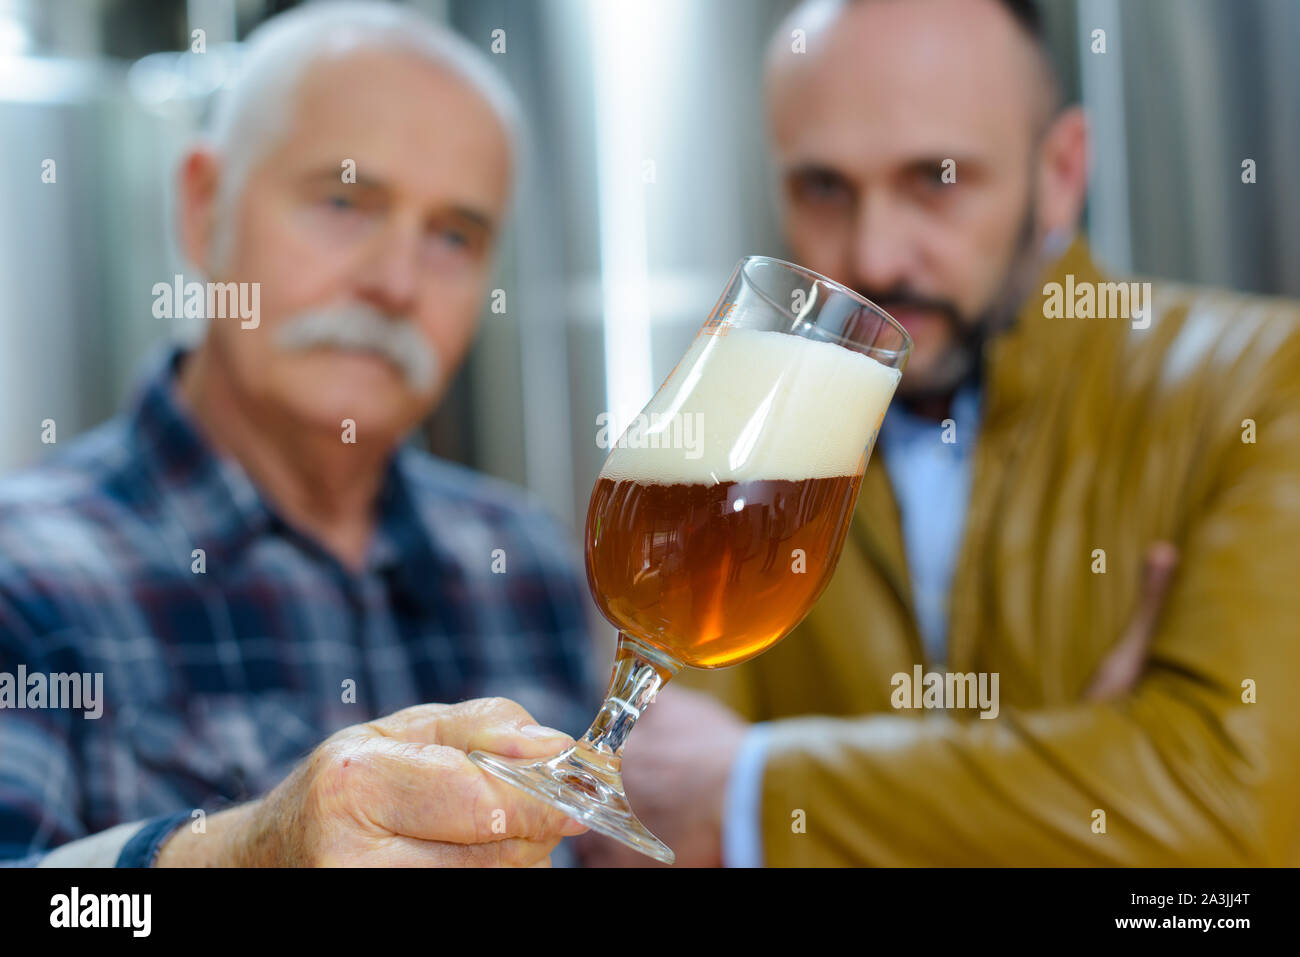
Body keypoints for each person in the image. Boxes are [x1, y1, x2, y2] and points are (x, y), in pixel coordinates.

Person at [581, 0, 1300, 866]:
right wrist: (1089, 764)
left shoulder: (1262, 380)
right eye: (823, 187)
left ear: (1063, 171)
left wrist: (752, 790)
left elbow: (1236, 816)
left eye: (939, 178)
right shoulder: (752, 438)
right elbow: (654, 809)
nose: (878, 255)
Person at [0, 2, 599, 867]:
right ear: (206, 207)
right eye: (346, 200)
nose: (396, 282)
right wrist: (254, 851)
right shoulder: (29, 572)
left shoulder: (520, 557)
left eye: (453, 235)